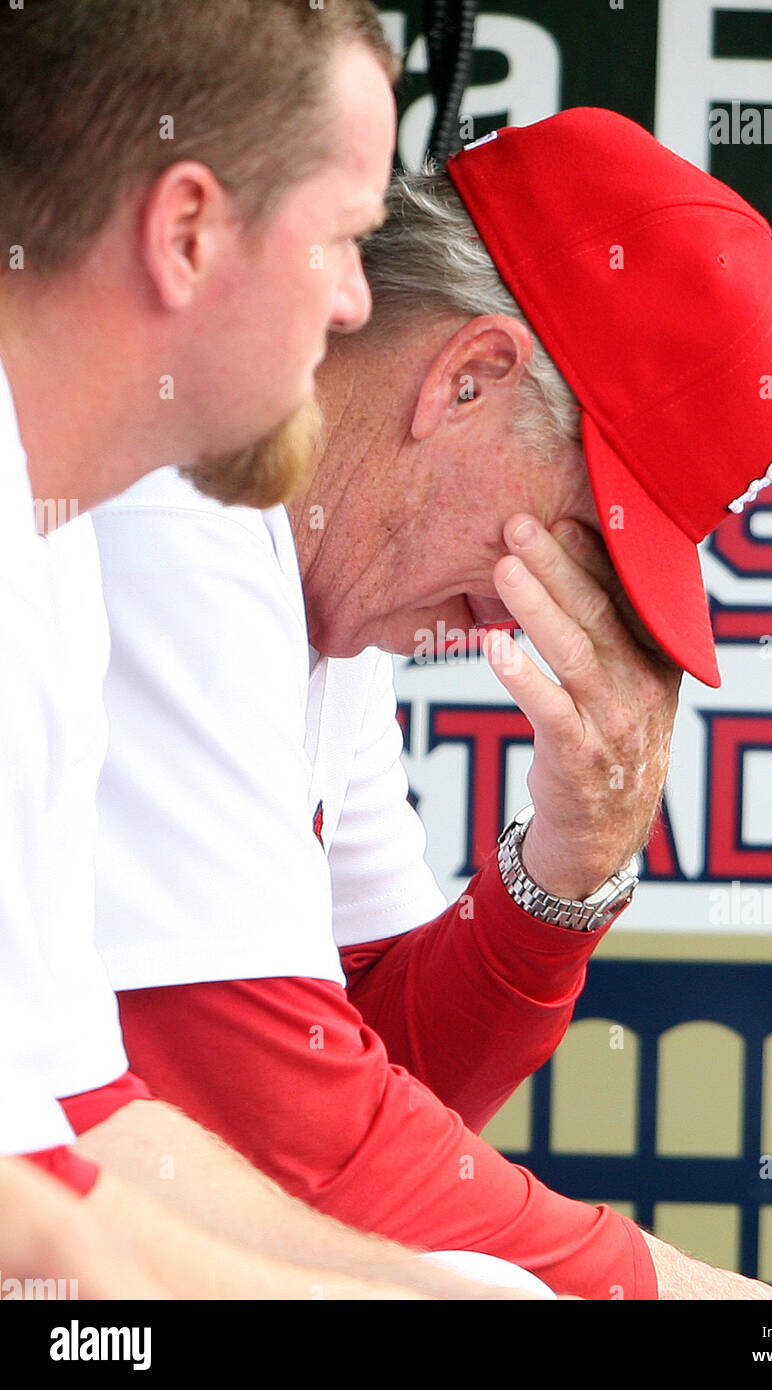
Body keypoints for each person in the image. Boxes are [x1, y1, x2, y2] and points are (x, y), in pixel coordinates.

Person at [89, 110, 772, 1299]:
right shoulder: (178, 483)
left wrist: (572, 869)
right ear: (468, 377)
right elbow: (286, 1136)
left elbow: (380, 1089)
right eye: (588, 541)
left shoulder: (326, 575)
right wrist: (668, 1290)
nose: (532, 615)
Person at [0, 0, 525, 1301]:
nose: (357, 302)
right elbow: (43, 1209)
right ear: (185, 233)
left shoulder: (51, 542)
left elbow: (87, 1123)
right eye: (345, 240)